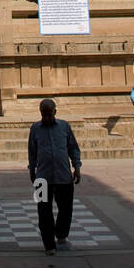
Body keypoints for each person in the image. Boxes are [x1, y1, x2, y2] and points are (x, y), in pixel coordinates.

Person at [27, 98, 82, 254]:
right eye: (44, 115)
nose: (47, 118)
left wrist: (77, 167)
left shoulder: (64, 126)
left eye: (50, 115)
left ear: (55, 112)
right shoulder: (35, 128)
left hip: (64, 175)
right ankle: (49, 244)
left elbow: (73, 148)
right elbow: (32, 151)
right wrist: (32, 171)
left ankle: (61, 234)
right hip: (41, 177)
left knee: (66, 208)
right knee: (43, 210)